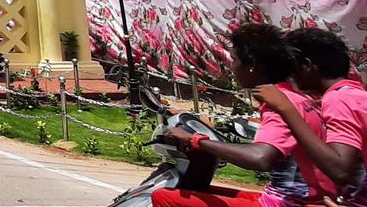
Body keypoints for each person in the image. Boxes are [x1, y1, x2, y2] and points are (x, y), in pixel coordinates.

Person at [152, 24, 336, 207]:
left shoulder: (279, 103)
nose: (232, 67)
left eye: (234, 60)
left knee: (163, 197)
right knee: (197, 191)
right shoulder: (297, 97)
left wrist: (195, 140)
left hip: (286, 203)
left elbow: (260, 158)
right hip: (295, 197)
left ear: (252, 65)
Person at [255, 29, 366, 206]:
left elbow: (340, 170)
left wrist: (286, 108)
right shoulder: (357, 95)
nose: (290, 75)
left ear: (306, 66)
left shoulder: (339, 98)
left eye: (292, 67)